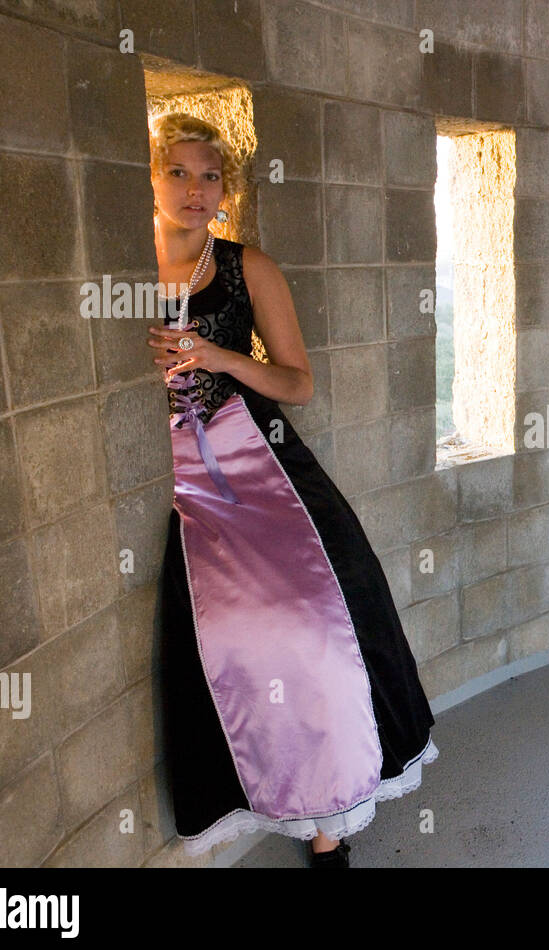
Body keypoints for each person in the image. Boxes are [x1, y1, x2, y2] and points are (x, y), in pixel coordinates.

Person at [147, 112, 437, 868]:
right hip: (173, 476)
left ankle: (329, 822)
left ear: (225, 187)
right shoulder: (121, 269)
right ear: (150, 176)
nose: (194, 189)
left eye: (209, 175)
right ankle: (247, 800)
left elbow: (298, 383)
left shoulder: (250, 266)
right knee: (223, 645)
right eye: (177, 171)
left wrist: (218, 354)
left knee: (318, 626)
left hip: (257, 462)